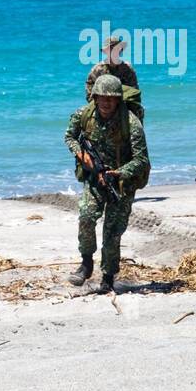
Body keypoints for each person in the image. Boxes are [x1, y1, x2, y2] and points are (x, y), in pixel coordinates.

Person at [64, 73, 150, 293]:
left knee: (112, 232)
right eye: (101, 98)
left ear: (118, 100)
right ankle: (86, 263)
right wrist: (81, 154)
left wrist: (118, 174)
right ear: (94, 98)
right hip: (94, 178)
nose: (105, 102)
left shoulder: (131, 123)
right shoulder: (83, 115)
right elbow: (69, 137)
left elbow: (142, 160)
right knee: (86, 217)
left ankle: (108, 276)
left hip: (121, 183)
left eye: (110, 99)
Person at [85, 35, 139, 100]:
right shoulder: (97, 69)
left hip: (123, 101)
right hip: (102, 103)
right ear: (106, 51)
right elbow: (90, 87)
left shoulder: (127, 68)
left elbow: (134, 89)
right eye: (110, 49)